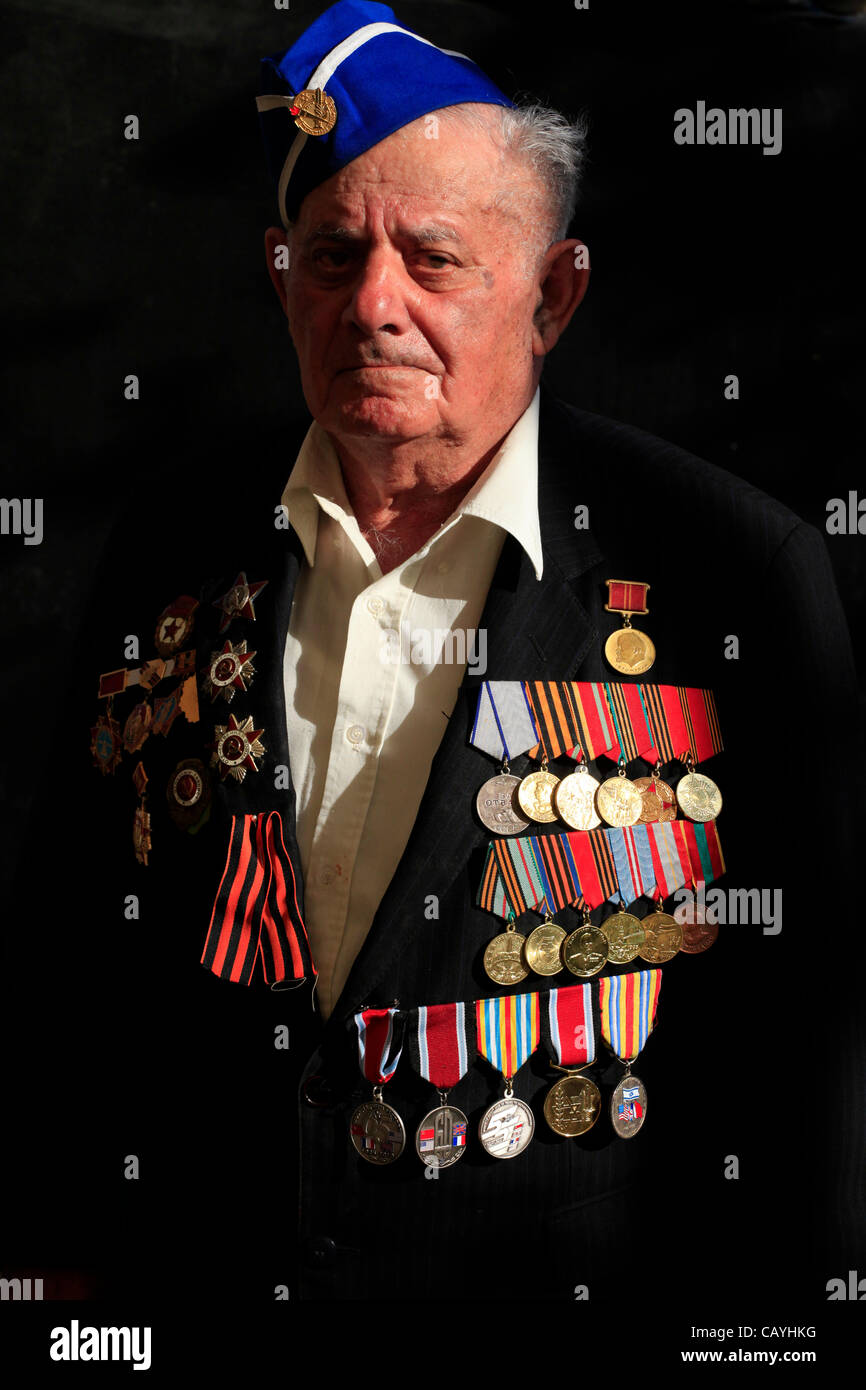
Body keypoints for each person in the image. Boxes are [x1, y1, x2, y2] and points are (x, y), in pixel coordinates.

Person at [68, 0, 861, 1305]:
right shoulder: (169, 542)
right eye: (329, 258)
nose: (370, 304)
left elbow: (817, 1059)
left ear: (552, 296)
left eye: (430, 259)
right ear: (281, 282)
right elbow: (69, 961)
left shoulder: (732, 571)